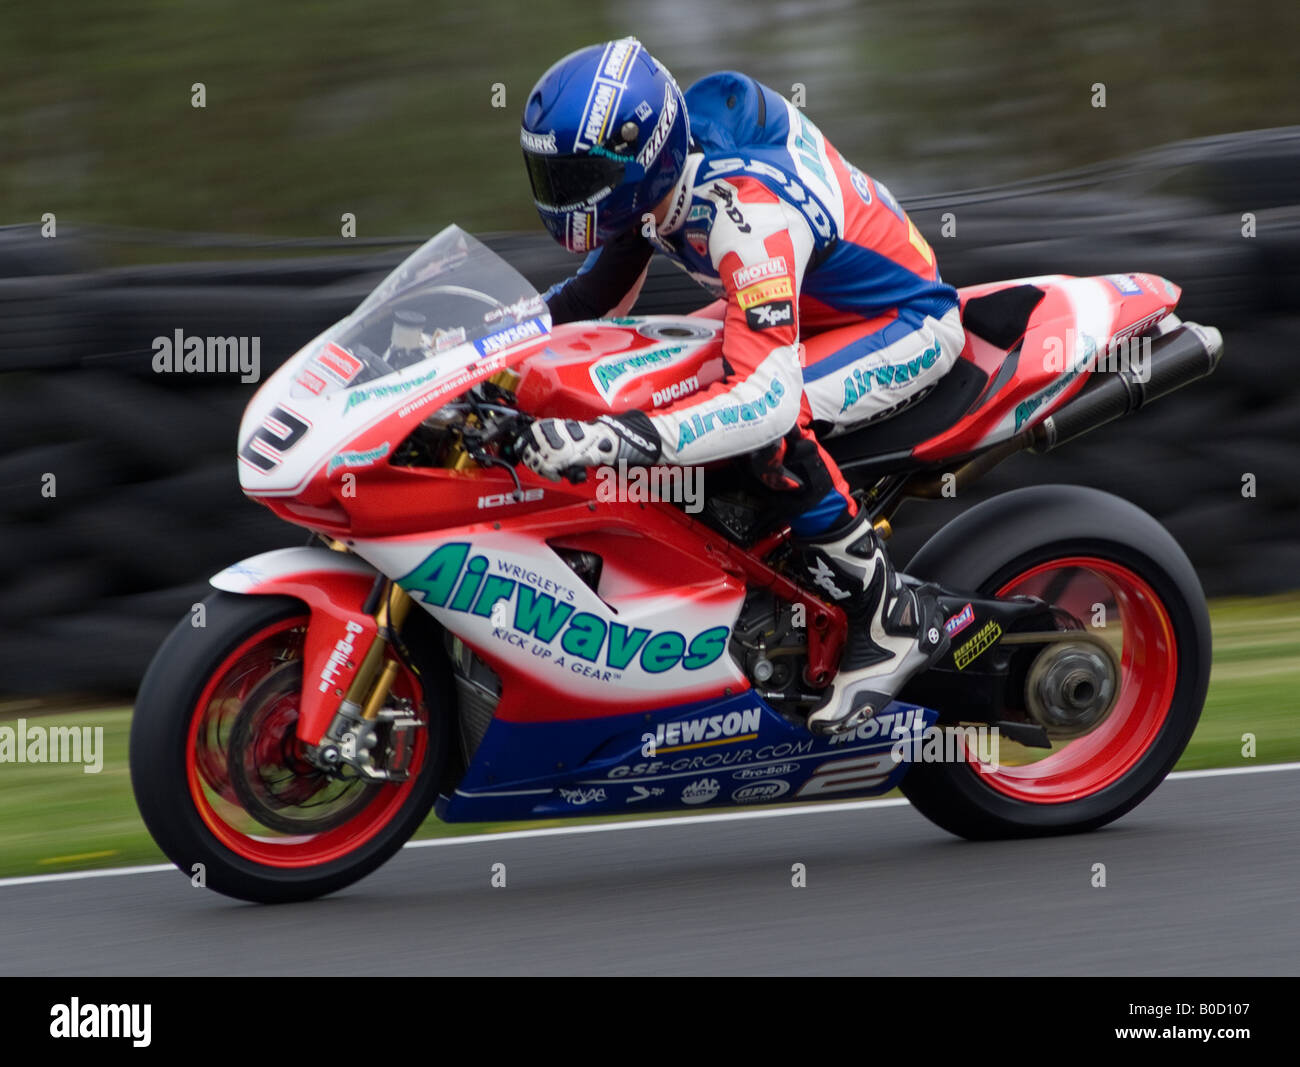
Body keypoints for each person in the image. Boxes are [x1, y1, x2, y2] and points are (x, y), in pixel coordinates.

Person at [516, 38, 964, 736]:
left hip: (901, 321)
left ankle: (888, 615)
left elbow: (766, 399)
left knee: (764, 430)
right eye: (552, 176)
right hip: (799, 307)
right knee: (643, 377)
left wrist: (624, 437)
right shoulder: (655, 181)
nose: (563, 196)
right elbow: (594, 298)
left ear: (636, 158)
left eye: (576, 176)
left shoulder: (742, 214)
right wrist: (481, 347)